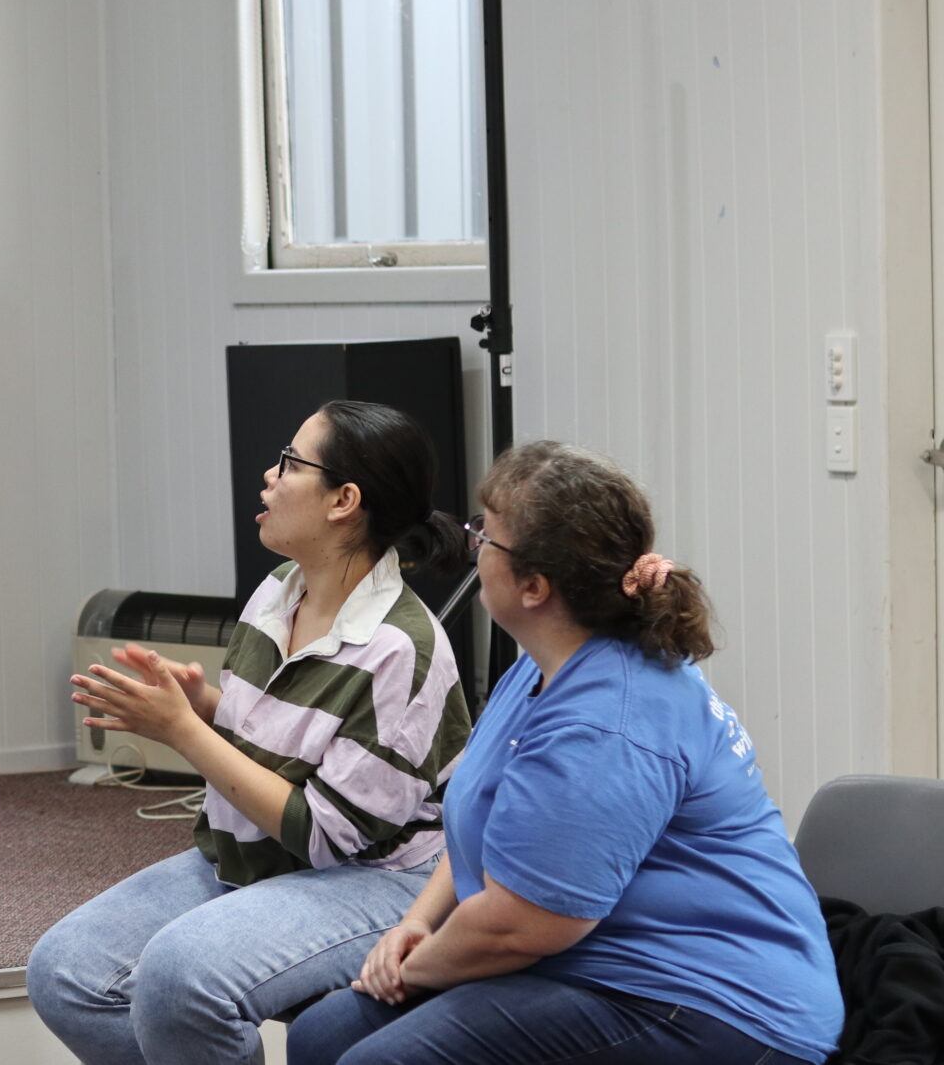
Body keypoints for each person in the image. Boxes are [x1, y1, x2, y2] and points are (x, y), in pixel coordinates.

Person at [287, 442, 842, 1065]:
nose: (474, 547)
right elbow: (493, 829)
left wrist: (412, 971)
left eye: (485, 537)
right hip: (589, 955)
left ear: (534, 587)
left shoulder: (607, 723)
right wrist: (416, 924)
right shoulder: (541, 666)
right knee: (321, 1035)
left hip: (712, 1002)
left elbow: (518, 927)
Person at [27, 400, 474, 1065]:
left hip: (375, 878)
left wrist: (181, 730)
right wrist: (202, 703)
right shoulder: (278, 589)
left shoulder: (400, 649)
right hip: (253, 856)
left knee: (180, 977)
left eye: (291, 462)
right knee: (63, 971)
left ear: (343, 500)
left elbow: (325, 833)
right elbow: (264, 738)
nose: (269, 475)